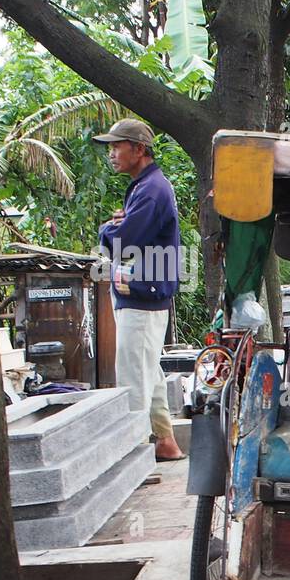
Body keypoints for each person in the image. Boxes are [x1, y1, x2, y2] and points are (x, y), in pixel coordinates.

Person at [94, 118, 184, 461]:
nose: (112, 153)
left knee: (134, 379)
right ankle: (165, 442)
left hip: (143, 300)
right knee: (150, 373)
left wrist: (107, 230)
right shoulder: (145, 187)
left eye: (117, 146)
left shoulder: (151, 190)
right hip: (143, 297)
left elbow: (123, 242)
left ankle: (134, 459)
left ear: (139, 149)